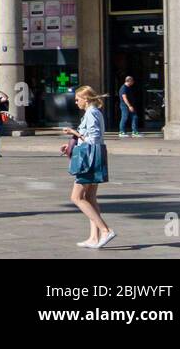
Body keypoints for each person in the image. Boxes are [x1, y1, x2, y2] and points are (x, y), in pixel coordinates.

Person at [64, 85, 114, 249]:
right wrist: (71, 144)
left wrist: (75, 133)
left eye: (78, 99)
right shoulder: (94, 112)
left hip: (89, 160)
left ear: (85, 99)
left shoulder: (91, 113)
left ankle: (105, 230)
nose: (76, 101)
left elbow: (93, 138)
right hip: (95, 157)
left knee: (76, 197)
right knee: (90, 198)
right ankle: (94, 237)